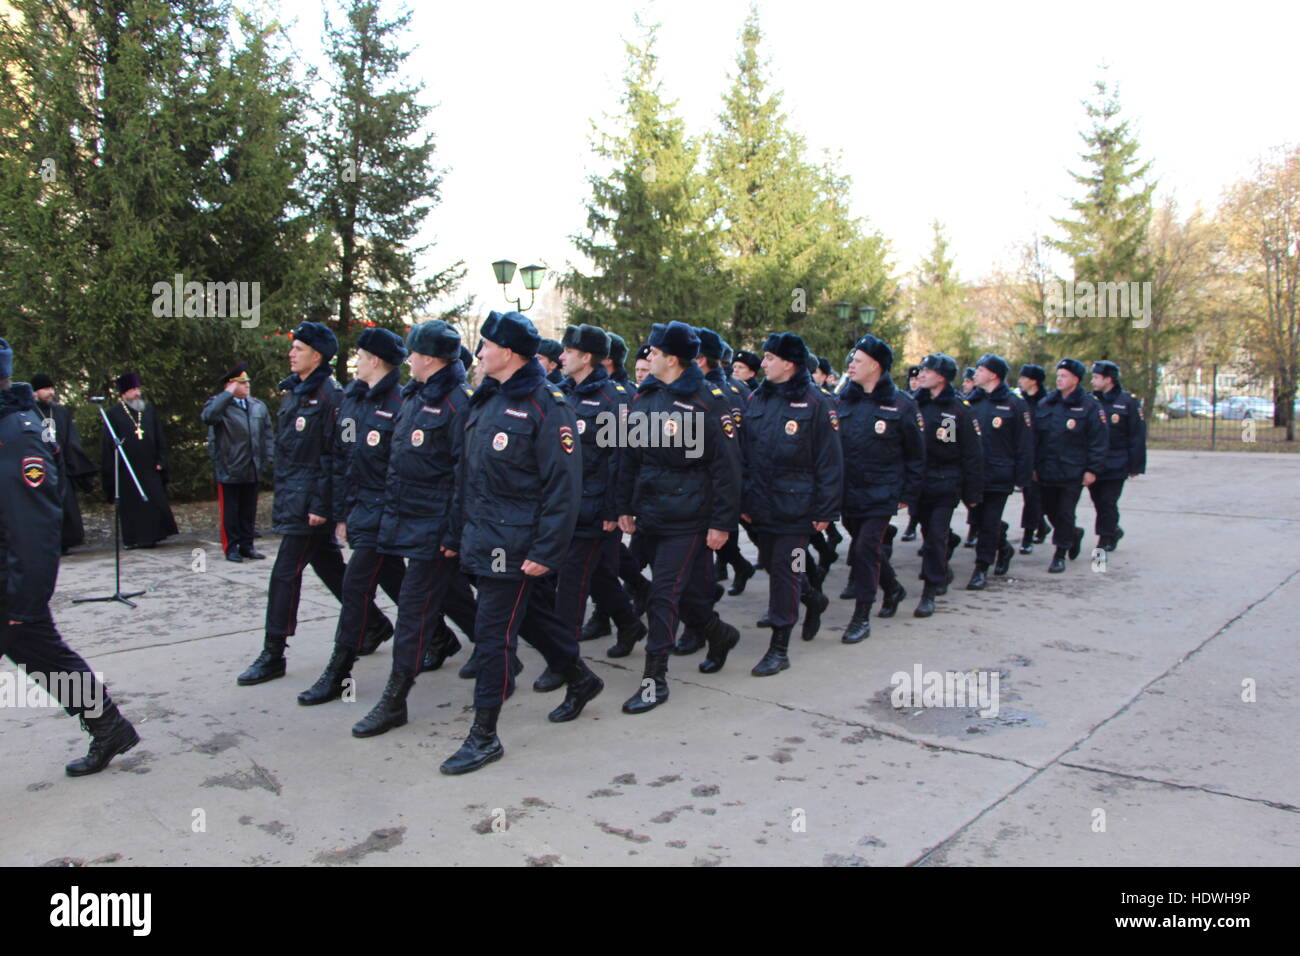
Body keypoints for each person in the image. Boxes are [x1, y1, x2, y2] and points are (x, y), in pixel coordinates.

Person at [441, 311, 604, 775]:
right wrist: (456, 534)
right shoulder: (485, 399)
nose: (479, 353)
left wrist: (544, 551)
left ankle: (484, 735)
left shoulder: (547, 406)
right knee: (530, 619)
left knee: (493, 637)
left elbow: (563, 487)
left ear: (508, 353)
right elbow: (467, 476)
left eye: (486, 345)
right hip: (482, 537)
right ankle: (580, 677)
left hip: (517, 545)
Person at [0, 338, 139, 776]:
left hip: (11, 585)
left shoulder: (17, 436)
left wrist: (26, 601)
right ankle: (108, 725)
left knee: (41, 651)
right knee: (41, 655)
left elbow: (34, 527)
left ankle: (108, 724)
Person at [335, 320, 478, 737]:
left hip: (436, 529)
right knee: (447, 602)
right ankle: (552, 664)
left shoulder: (457, 402)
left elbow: (462, 476)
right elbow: (398, 466)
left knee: (415, 612)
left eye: (413, 353)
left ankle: (394, 700)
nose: (408, 359)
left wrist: (452, 535)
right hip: (410, 523)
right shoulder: (415, 396)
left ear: (430, 358)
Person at [237, 321, 392, 686]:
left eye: (299, 348)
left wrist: (325, 506)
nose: (291, 353)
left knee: (284, 573)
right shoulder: (295, 392)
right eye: (292, 348)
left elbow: (334, 456)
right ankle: (373, 623)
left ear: (317, 355)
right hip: (295, 496)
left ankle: (273, 651)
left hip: (311, 503)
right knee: (329, 566)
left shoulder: (328, 396)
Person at [616, 321, 742, 710]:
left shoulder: (708, 401)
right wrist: (624, 506)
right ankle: (719, 634)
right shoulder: (644, 397)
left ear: (671, 358)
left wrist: (722, 523)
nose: (646, 356)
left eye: (652, 352)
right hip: (651, 513)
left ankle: (655, 680)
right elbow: (629, 457)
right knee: (685, 597)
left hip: (690, 517)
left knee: (663, 594)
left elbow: (727, 469)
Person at [297, 327, 409, 706]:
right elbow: (341, 458)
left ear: (375, 360)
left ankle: (338, 671)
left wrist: (392, 515)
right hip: (362, 510)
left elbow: (404, 470)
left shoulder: (400, 403)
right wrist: (341, 513)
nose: (355, 362)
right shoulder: (353, 400)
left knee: (355, 586)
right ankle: (445, 638)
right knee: (402, 583)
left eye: (360, 356)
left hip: (386, 513)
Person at [540, 323, 645, 685]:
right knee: (598, 574)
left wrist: (613, 510)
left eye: (568, 351)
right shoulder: (560, 393)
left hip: (593, 510)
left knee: (570, 583)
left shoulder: (612, 399)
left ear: (586, 357)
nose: (561, 357)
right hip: (563, 507)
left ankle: (562, 661)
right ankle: (630, 624)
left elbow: (621, 457)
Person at [740, 332, 842, 674]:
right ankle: (813, 598)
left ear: (789, 363)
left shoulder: (816, 403)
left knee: (786, 569)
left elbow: (830, 461)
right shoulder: (757, 399)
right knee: (772, 562)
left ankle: (779, 649)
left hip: (798, 506)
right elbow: (744, 453)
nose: (763, 363)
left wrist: (826, 509)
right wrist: (743, 497)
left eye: (769, 358)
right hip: (761, 503)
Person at [836, 334, 924, 641]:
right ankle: (894, 588)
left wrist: (907, 494)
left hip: (882, 492)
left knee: (863, 549)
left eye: (857, 360)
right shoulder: (843, 400)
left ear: (875, 365)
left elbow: (916, 454)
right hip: (849, 491)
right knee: (866, 547)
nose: (851, 365)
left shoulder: (901, 405)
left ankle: (861, 616)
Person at [911, 353, 983, 617]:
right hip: (919, 483)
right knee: (928, 532)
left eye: (927, 371)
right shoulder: (913, 405)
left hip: (945, 483)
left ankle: (929, 590)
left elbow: (972, 453)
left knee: (934, 537)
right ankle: (941, 567)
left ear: (941, 377)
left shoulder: (958, 409)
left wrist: (972, 492)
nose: (921, 374)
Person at [1033, 358, 1109, 573]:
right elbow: (1035, 438)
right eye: (1058, 375)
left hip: (1072, 470)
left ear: (1075, 379)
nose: (1059, 379)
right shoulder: (1047, 403)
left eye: (1064, 376)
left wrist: (1092, 469)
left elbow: (1098, 441)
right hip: (1047, 469)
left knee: (1065, 511)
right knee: (1049, 511)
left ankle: (1060, 553)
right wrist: (1033, 466)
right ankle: (1073, 534)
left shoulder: (1090, 406)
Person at [964, 354, 1033, 589]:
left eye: (980, 369)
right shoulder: (970, 402)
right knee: (979, 520)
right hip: (973, 475)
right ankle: (1003, 548)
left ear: (993, 374)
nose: (976, 373)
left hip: (999, 474)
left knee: (989, 521)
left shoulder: (1015, 404)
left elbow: (1024, 443)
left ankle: (981, 567)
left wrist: (1022, 477)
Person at [202, 363, 273, 562]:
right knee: (231, 512)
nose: (247, 385)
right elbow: (208, 417)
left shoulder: (257, 405)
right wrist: (227, 395)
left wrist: (268, 458)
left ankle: (247, 546)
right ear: (230, 386)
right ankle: (231, 548)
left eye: (248, 381)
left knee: (248, 511)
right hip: (230, 467)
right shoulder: (219, 405)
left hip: (252, 466)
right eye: (241, 382)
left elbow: (267, 434)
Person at [100, 372, 178, 549]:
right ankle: (134, 539)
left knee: (154, 500)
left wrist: (161, 459)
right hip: (127, 469)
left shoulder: (148, 410)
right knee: (132, 505)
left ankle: (155, 535)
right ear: (123, 394)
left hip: (150, 465)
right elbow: (108, 444)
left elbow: (159, 437)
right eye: (133, 390)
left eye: (138, 389)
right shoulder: (114, 413)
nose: (137, 393)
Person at [31, 373, 96, 554]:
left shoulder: (60, 411)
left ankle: (66, 542)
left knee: (66, 504)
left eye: (52, 388)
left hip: (61, 467)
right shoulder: (28, 412)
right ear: (35, 392)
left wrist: (73, 463)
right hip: (40, 469)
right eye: (46, 389)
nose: (51, 392)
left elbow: (71, 439)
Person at [1089, 360, 1145, 552]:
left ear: (1108, 379)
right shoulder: (1091, 401)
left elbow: (1136, 436)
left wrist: (1135, 466)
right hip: (1095, 462)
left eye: (1096, 377)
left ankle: (1104, 539)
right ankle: (1113, 529)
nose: (1093, 381)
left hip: (1117, 462)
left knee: (1107, 501)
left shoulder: (1127, 402)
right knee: (1098, 502)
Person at [1016, 364, 1050, 552]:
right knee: (1031, 498)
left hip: (1040, 459)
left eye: (1023, 377)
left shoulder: (1045, 403)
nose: (1020, 380)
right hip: (1023, 457)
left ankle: (1030, 535)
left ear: (1033, 381)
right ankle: (1040, 528)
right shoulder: (1020, 402)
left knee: (1035, 498)